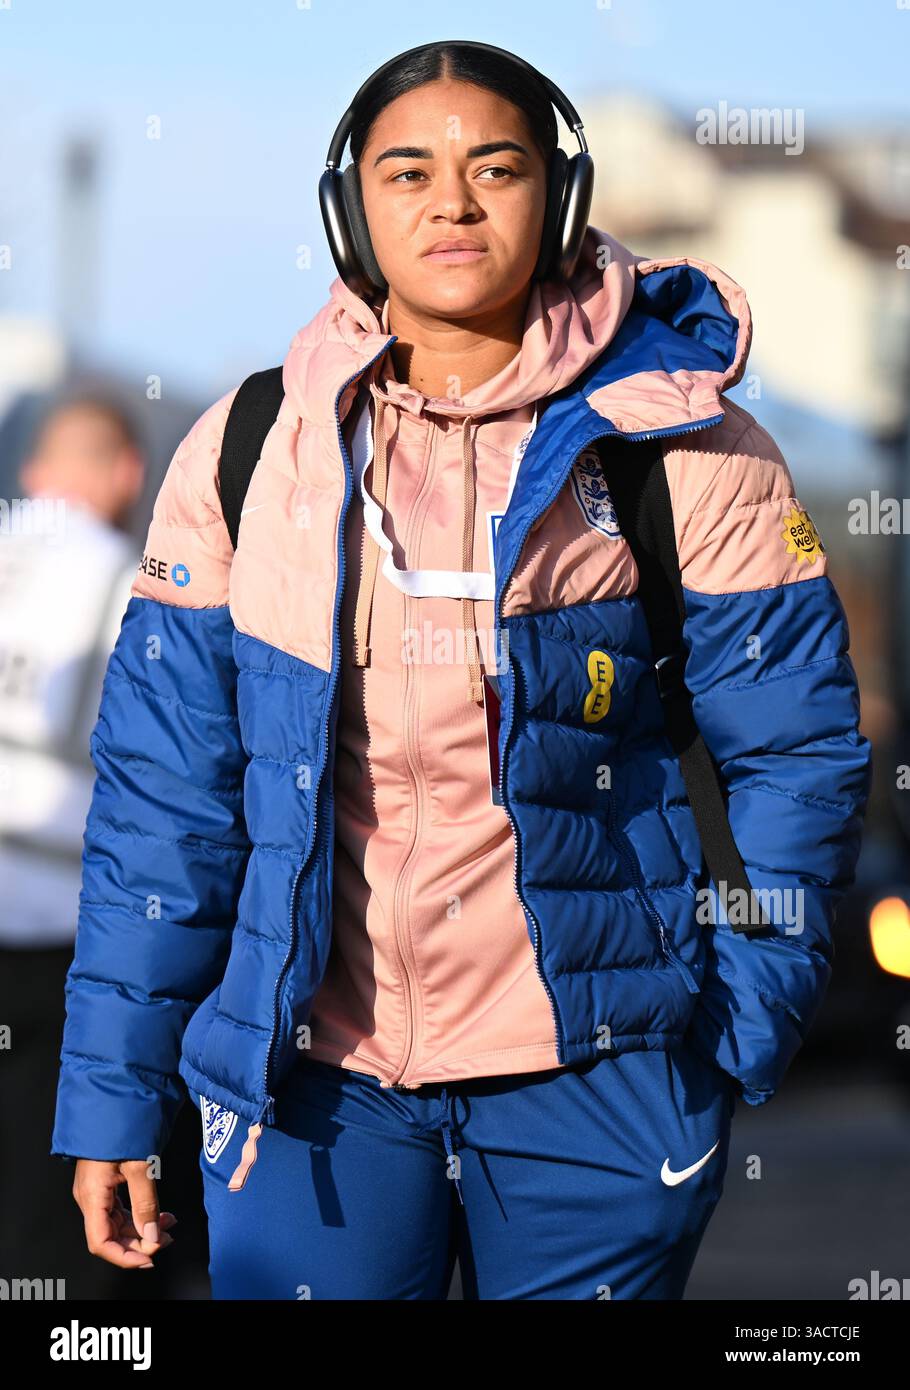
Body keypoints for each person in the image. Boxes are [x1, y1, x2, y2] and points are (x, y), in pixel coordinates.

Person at [50, 41, 872, 1300]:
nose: (452, 204)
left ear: (561, 198)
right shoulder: (246, 450)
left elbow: (797, 760)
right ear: (350, 209)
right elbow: (164, 805)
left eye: (496, 166)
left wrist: (733, 1030)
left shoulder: (690, 447)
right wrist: (111, 1090)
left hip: (600, 1087)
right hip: (314, 1089)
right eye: (407, 172)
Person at [0, 393, 144, 1294]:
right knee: (53, 1176)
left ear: (32, 475)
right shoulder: (123, 575)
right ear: (126, 474)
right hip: (64, 926)